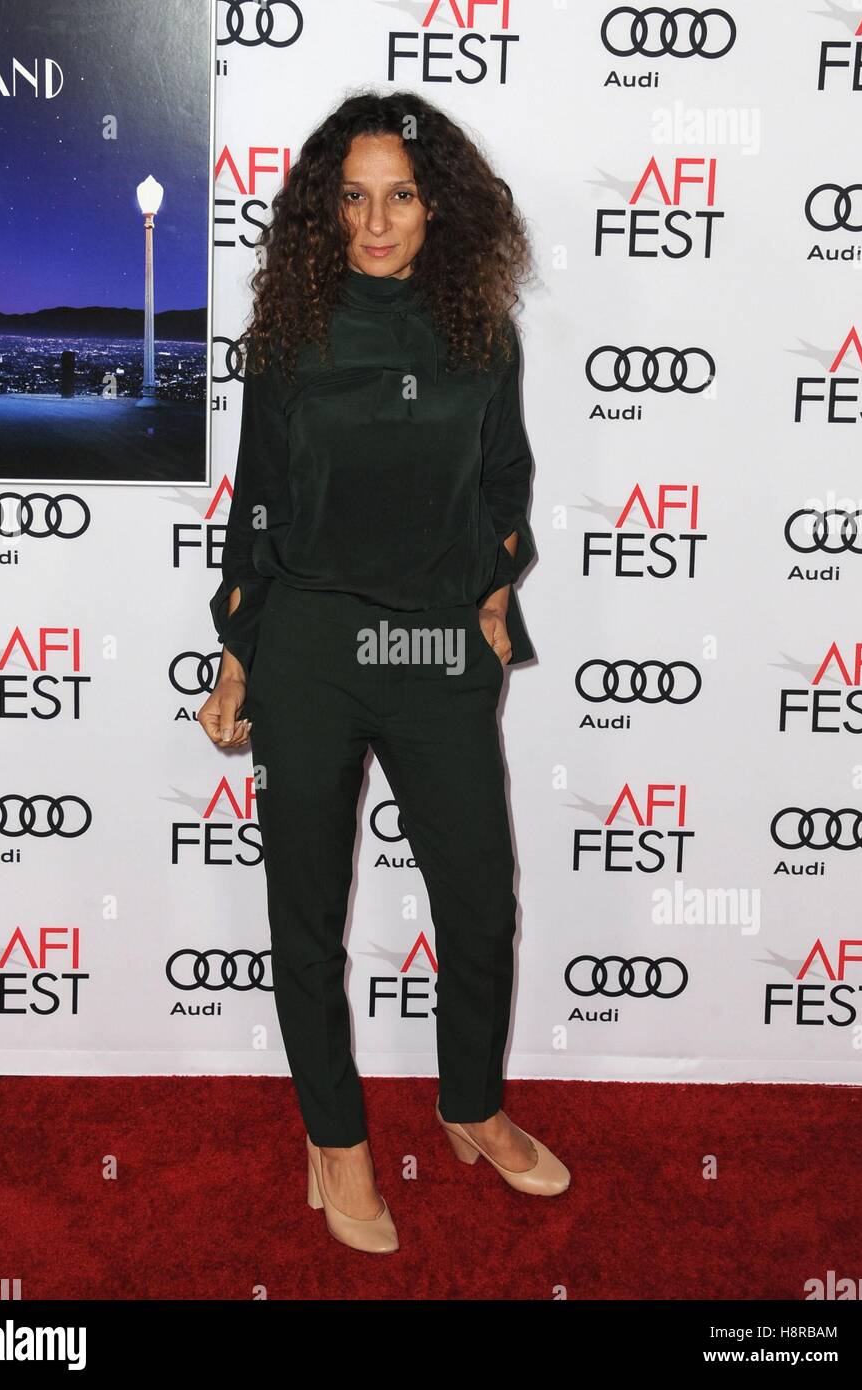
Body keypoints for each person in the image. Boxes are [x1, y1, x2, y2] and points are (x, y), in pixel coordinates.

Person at [198, 91, 569, 1254]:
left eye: (399, 196)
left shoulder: (479, 332)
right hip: (311, 641)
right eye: (352, 198)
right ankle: (337, 1139)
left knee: (476, 895)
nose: (376, 222)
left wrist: (497, 588)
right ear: (325, 210)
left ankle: (469, 1105)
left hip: (432, 646)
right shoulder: (292, 336)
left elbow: (502, 479)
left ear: (435, 205)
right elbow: (256, 498)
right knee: (305, 909)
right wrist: (236, 653)